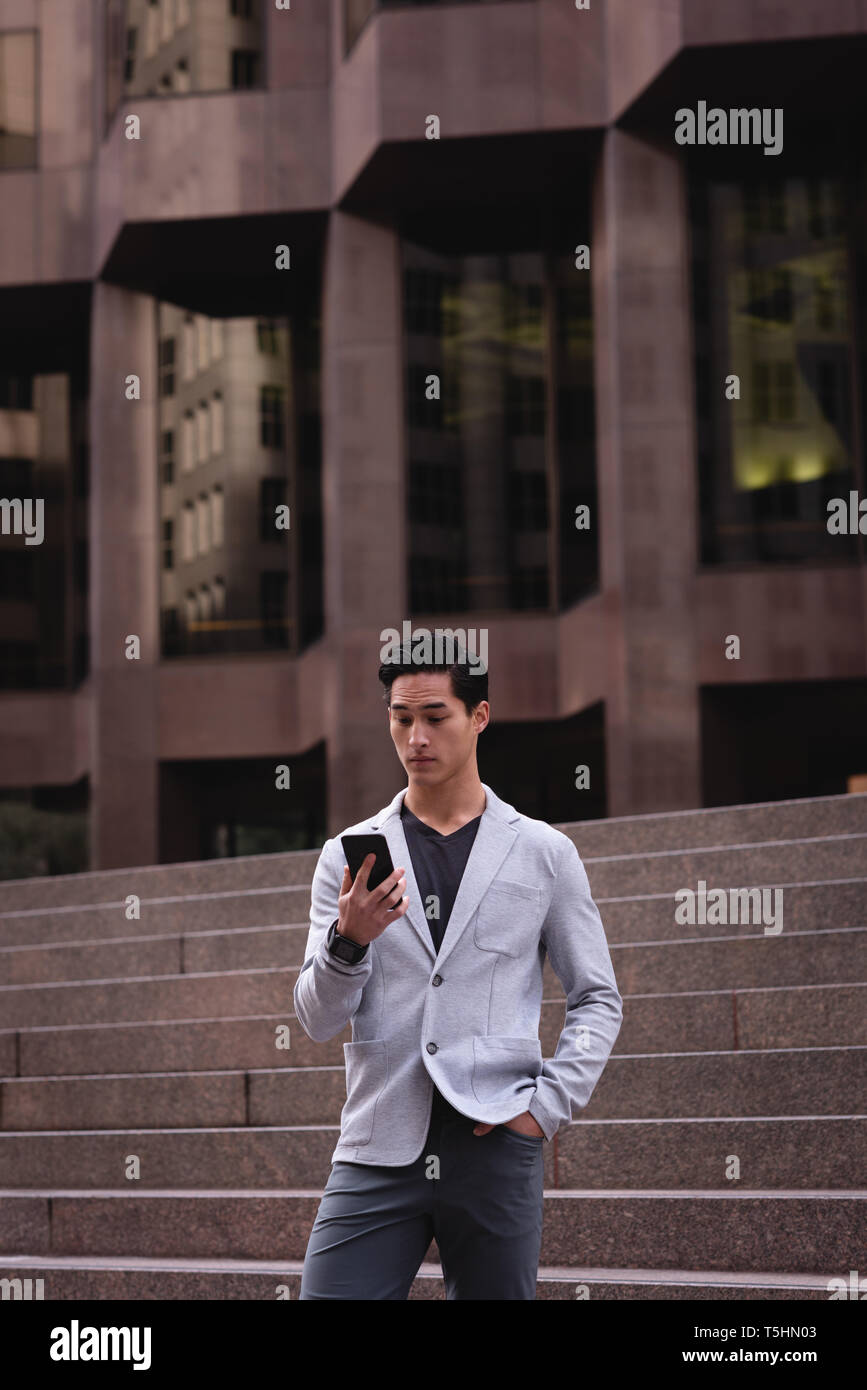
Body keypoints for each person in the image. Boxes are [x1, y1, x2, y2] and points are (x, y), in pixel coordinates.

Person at [295, 648, 622, 1300]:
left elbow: (595, 997)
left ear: (479, 716)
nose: (415, 739)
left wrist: (543, 1108)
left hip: (495, 1141)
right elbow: (316, 1017)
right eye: (400, 718)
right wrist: (348, 941)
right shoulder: (350, 855)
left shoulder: (541, 853)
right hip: (377, 1143)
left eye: (434, 717)